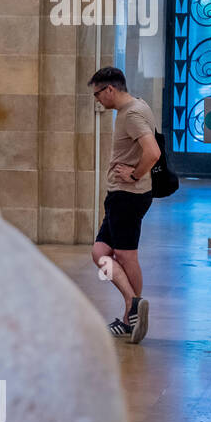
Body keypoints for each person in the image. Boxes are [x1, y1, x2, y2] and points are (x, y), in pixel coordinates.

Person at [88, 66, 160, 343]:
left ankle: (132, 315)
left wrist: (134, 174)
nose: (97, 100)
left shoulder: (131, 114)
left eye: (98, 94)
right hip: (120, 195)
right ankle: (133, 304)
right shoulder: (136, 106)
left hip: (128, 196)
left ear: (110, 90)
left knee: (126, 256)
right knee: (100, 252)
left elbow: (152, 152)